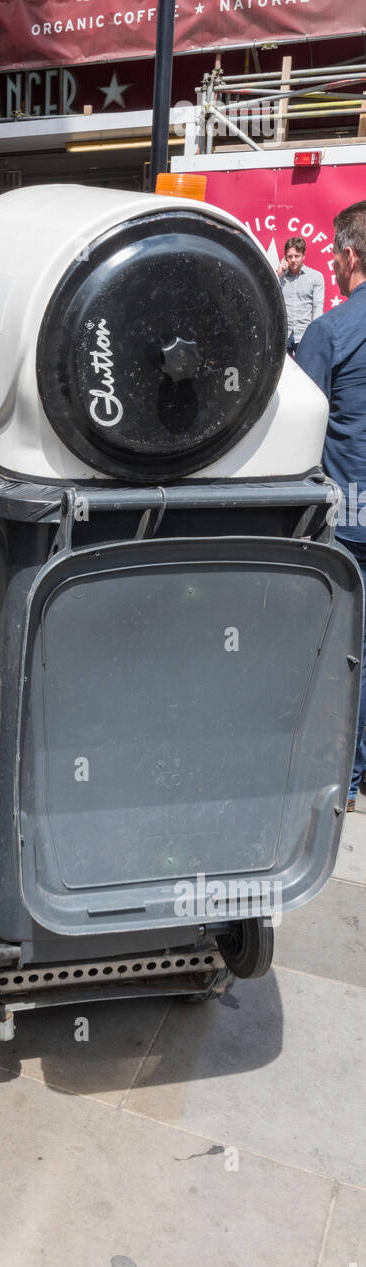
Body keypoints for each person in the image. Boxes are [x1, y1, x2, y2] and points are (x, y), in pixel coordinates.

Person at [295, 201, 366, 811]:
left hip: (351, 516)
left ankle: (342, 778)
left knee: (347, 647)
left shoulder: (332, 332)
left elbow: (294, 425)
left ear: (348, 257)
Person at [277, 236, 324, 356]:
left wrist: (315, 335)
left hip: (304, 334)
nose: (293, 260)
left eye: (297, 256)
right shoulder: (278, 276)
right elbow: (267, 295)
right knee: (282, 373)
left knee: (305, 372)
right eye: (289, 256)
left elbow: (318, 307)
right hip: (283, 335)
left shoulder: (315, 277)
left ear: (304, 255)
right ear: (285, 257)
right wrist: (278, 274)